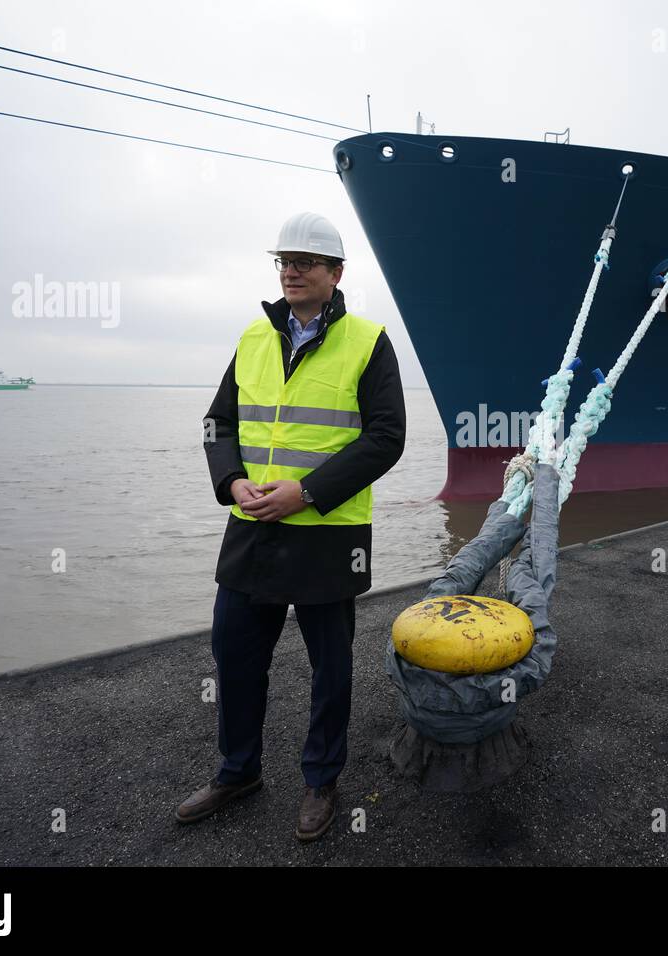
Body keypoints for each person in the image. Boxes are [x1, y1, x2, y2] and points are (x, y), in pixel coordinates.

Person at [176, 212, 406, 842]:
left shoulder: (368, 340)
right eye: (285, 260)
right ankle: (237, 771)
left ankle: (321, 781)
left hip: (327, 536)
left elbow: (387, 438)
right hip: (252, 530)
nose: (293, 269)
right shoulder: (253, 336)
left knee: (329, 667)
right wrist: (230, 482)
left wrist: (305, 492)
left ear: (336, 273)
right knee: (234, 654)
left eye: (308, 260)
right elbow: (216, 424)